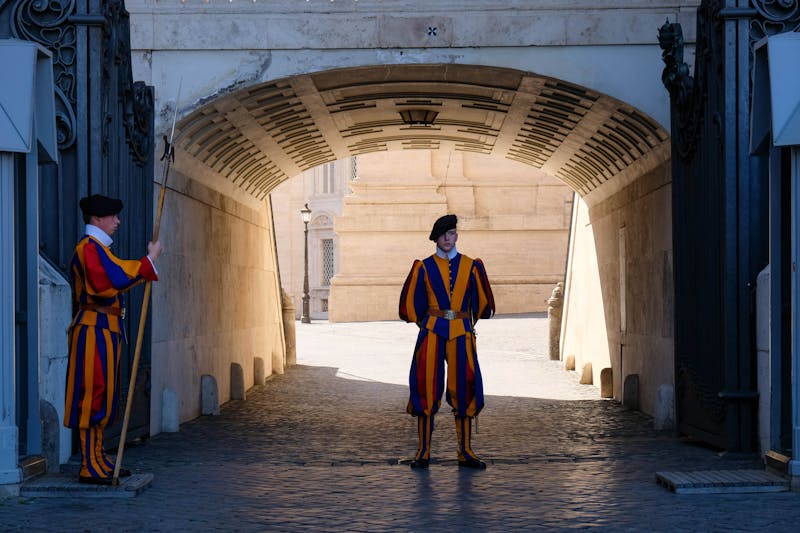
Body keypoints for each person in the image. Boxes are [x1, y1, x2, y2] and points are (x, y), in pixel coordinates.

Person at [63, 194, 162, 484]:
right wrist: (149, 261)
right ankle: (88, 464)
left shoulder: (100, 249)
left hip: (105, 329)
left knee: (103, 394)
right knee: (92, 395)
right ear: (97, 219)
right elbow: (110, 281)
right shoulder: (88, 249)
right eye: (113, 216)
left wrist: (145, 265)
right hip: (93, 329)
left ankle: (97, 457)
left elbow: (119, 271)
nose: (118, 222)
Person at [399, 214, 495, 469]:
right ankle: (423, 451)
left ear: (456, 235)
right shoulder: (424, 266)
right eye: (442, 235)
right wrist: (426, 321)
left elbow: (484, 306)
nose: (447, 239)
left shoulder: (471, 266)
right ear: (436, 239)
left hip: (461, 332)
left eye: (451, 234)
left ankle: (465, 451)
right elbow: (412, 305)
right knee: (425, 386)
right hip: (432, 331)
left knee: (464, 387)